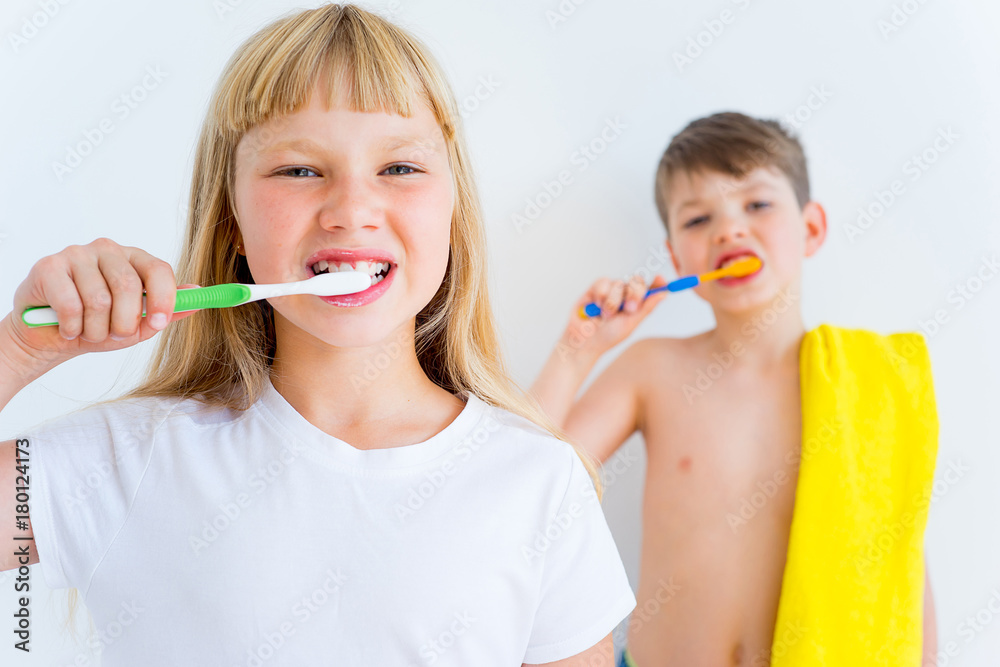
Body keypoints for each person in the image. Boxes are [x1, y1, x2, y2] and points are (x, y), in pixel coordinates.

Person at [0, 5, 635, 665]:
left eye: (400, 168)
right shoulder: (127, 458)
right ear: (230, 223)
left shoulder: (538, 480)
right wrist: (21, 348)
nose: (352, 210)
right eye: (300, 170)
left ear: (452, 211)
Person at [530, 112, 939, 666]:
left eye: (758, 205)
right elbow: (527, 483)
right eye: (698, 219)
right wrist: (578, 349)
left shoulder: (869, 384)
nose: (729, 230)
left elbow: (899, 560)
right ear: (676, 258)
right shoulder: (651, 370)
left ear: (811, 228)